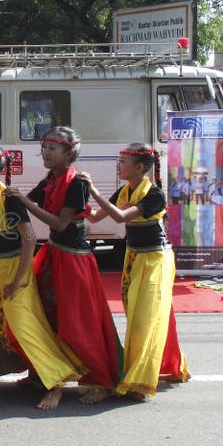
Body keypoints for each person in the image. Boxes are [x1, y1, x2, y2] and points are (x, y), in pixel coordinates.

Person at [0, 143, 87, 410]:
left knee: (25, 327)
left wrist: (21, 278)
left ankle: (53, 384)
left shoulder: (9, 199)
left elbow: (30, 239)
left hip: (14, 269)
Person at [11, 126, 122, 404]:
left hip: (74, 259)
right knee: (46, 316)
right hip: (54, 254)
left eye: (52, 148)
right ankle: (44, 372)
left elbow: (59, 222)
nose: (46, 153)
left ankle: (100, 381)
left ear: (69, 153)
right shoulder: (51, 179)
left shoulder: (77, 183)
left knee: (79, 323)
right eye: (45, 147)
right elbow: (27, 202)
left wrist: (23, 200)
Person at [80, 143, 190, 400]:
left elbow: (120, 217)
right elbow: (96, 217)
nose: (119, 166)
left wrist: (93, 190)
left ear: (139, 167)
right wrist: (78, 198)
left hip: (156, 260)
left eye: (123, 162)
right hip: (134, 258)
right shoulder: (126, 189)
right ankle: (169, 364)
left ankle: (140, 381)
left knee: (145, 321)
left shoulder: (154, 194)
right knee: (145, 318)